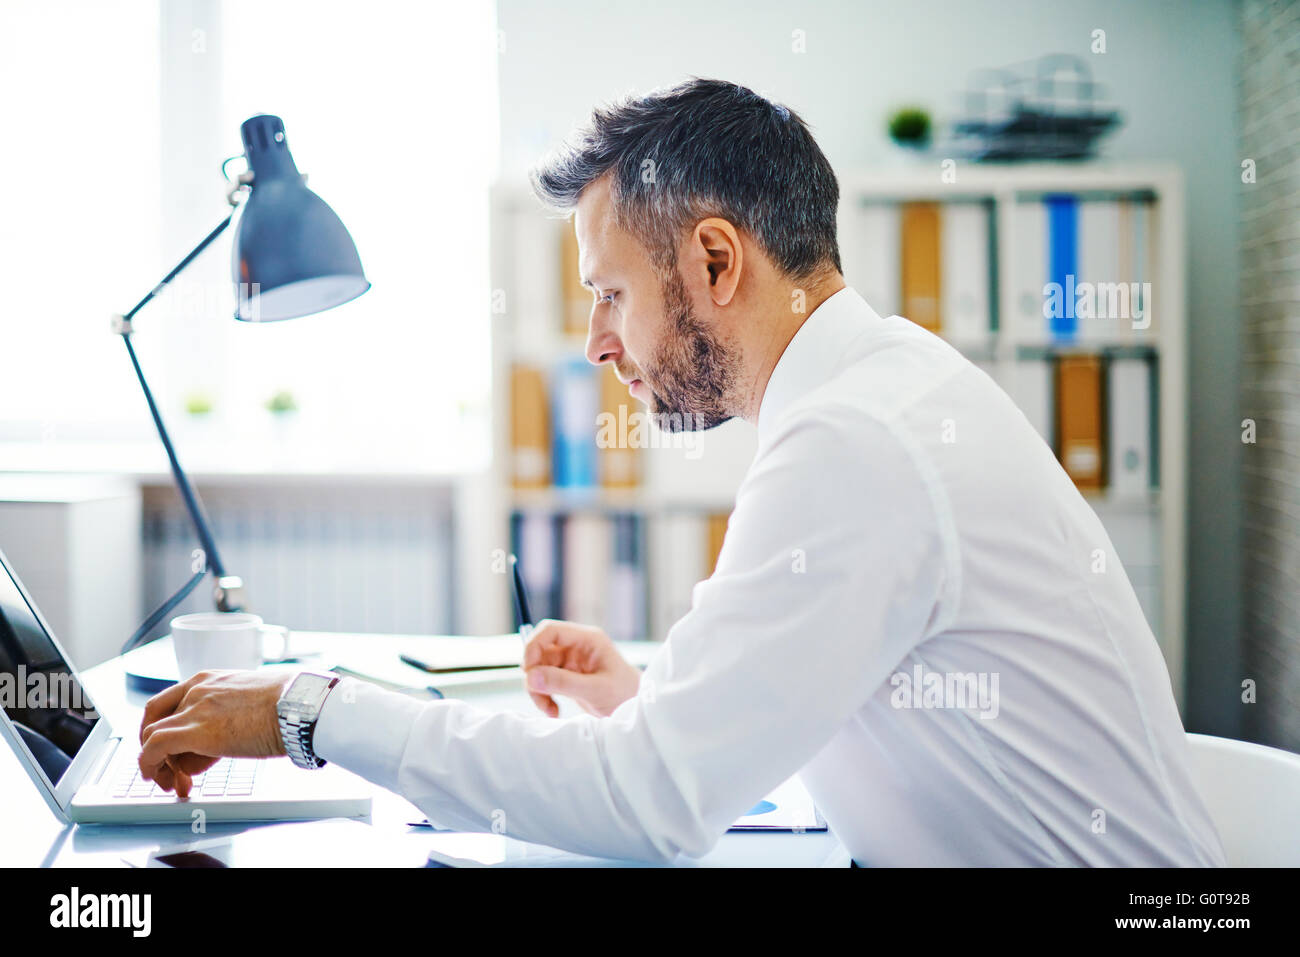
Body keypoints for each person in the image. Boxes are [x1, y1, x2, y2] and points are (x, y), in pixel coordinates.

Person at [138, 78, 1225, 866]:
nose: (597, 343)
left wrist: (310, 710)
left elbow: (649, 812)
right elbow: (847, 711)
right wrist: (654, 704)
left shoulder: (853, 446)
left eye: (609, 292)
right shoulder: (888, 386)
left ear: (714, 260)